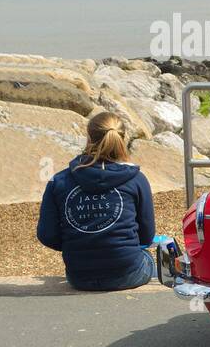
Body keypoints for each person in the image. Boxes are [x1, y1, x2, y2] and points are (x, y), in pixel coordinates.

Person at [37, 112, 157, 291]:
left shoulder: (59, 181)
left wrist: (79, 244)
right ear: (122, 139)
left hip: (79, 277)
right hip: (127, 273)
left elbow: (47, 235)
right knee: (148, 258)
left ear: (88, 138)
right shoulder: (136, 179)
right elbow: (147, 236)